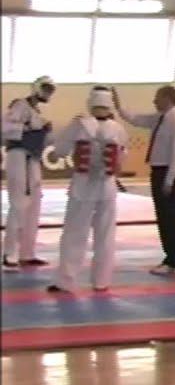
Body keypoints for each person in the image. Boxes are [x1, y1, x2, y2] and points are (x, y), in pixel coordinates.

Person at [46, 86, 128, 293]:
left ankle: (67, 280)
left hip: (82, 186)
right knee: (105, 235)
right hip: (107, 188)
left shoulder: (80, 124)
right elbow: (122, 158)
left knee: (74, 233)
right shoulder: (117, 129)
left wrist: (56, 154)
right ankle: (101, 281)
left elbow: (60, 150)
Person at [116, 84, 175, 276]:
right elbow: (136, 119)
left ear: (168, 98)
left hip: (168, 171)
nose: (154, 101)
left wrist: (170, 179)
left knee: (171, 217)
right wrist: (119, 107)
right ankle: (169, 258)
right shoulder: (159, 118)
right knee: (163, 217)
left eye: (157, 97)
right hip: (158, 170)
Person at [3, 76, 56, 269]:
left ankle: (27, 252)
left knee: (34, 205)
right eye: (46, 89)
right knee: (19, 203)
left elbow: (43, 138)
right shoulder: (20, 105)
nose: (48, 93)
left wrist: (46, 131)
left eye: (51, 90)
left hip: (33, 158)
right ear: (36, 88)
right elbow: (4, 128)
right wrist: (28, 127)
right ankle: (10, 253)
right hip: (19, 156)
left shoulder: (36, 111)